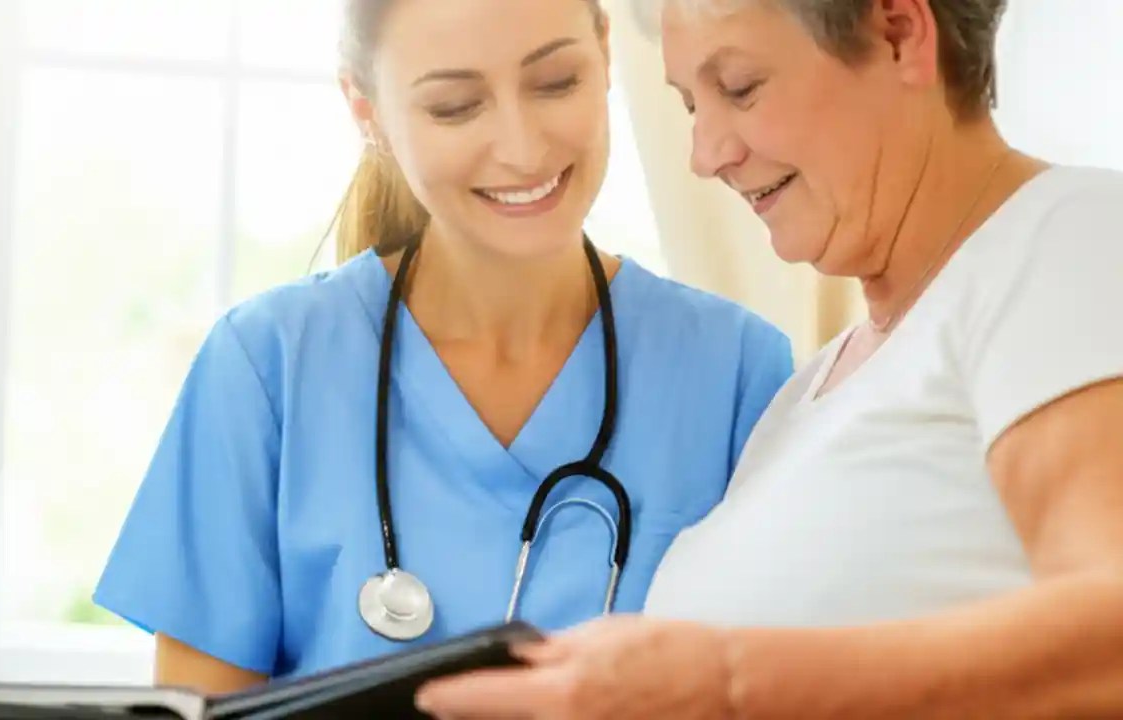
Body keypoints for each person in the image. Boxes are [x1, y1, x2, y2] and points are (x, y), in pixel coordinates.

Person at [414, 0, 1123, 717]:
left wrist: (727, 683)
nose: (706, 154)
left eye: (741, 87)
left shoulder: (1065, 239)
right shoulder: (809, 390)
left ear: (900, 34)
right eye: (692, 104)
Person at [93, 0, 793, 695]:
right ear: (367, 111)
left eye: (555, 83)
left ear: (605, 53)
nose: (522, 149)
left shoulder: (737, 375)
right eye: (456, 106)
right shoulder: (265, 369)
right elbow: (198, 711)